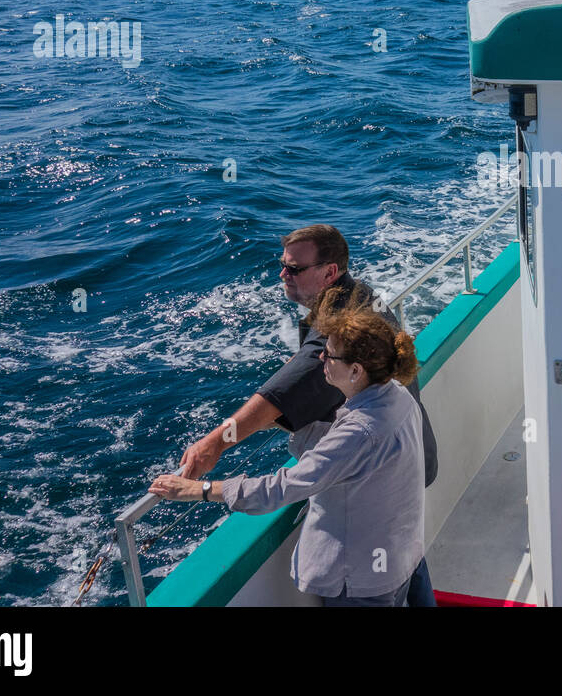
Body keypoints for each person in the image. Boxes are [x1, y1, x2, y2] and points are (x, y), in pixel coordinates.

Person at [178, 223, 438, 606]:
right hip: (405, 488)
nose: (282, 275)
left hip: (363, 573)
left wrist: (214, 448)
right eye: (282, 265)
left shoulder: (358, 421)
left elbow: (281, 402)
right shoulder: (389, 379)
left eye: (294, 268)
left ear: (330, 272)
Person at [152, 304, 424, 606]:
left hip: (360, 580)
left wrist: (198, 490)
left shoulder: (360, 432)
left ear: (356, 370)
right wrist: (285, 424)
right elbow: (353, 451)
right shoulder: (397, 394)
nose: (321, 357)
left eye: (329, 354)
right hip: (396, 559)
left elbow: (281, 488)